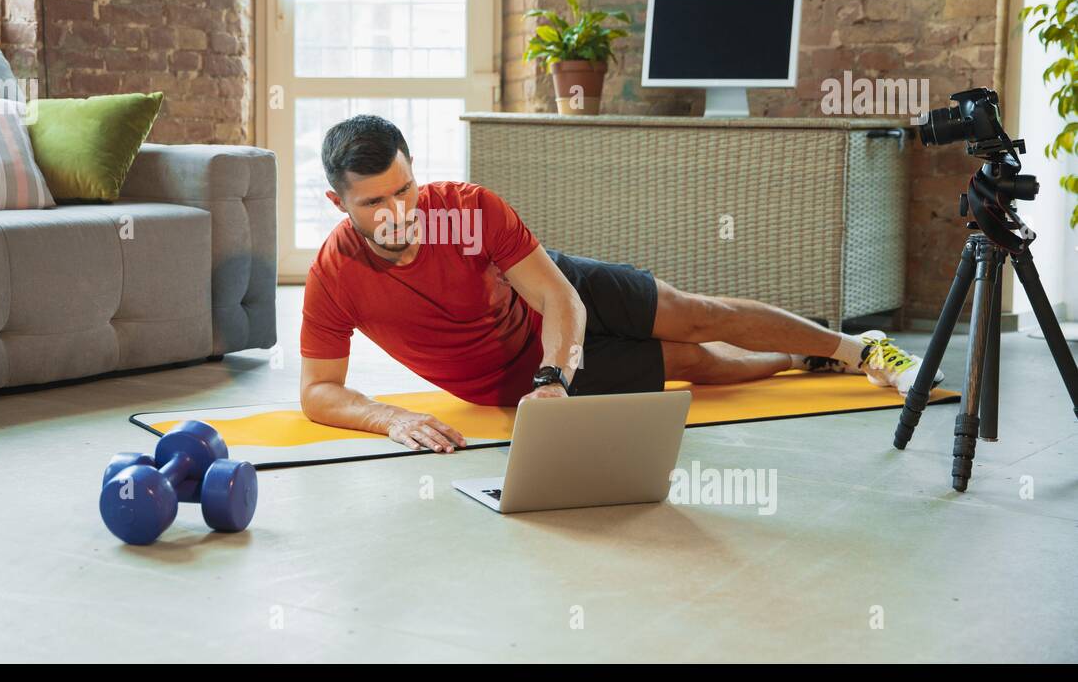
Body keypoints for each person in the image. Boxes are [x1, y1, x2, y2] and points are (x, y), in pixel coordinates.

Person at [299, 115, 940, 453]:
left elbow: (557, 298)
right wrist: (389, 417)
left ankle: (864, 349)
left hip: (557, 298)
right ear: (338, 202)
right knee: (690, 364)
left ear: (417, 172)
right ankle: (801, 355)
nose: (400, 212)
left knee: (697, 313)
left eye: (405, 189)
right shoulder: (334, 276)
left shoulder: (466, 208)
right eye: (375, 203)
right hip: (502, 377)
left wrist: (557, 378)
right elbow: (318, 391)